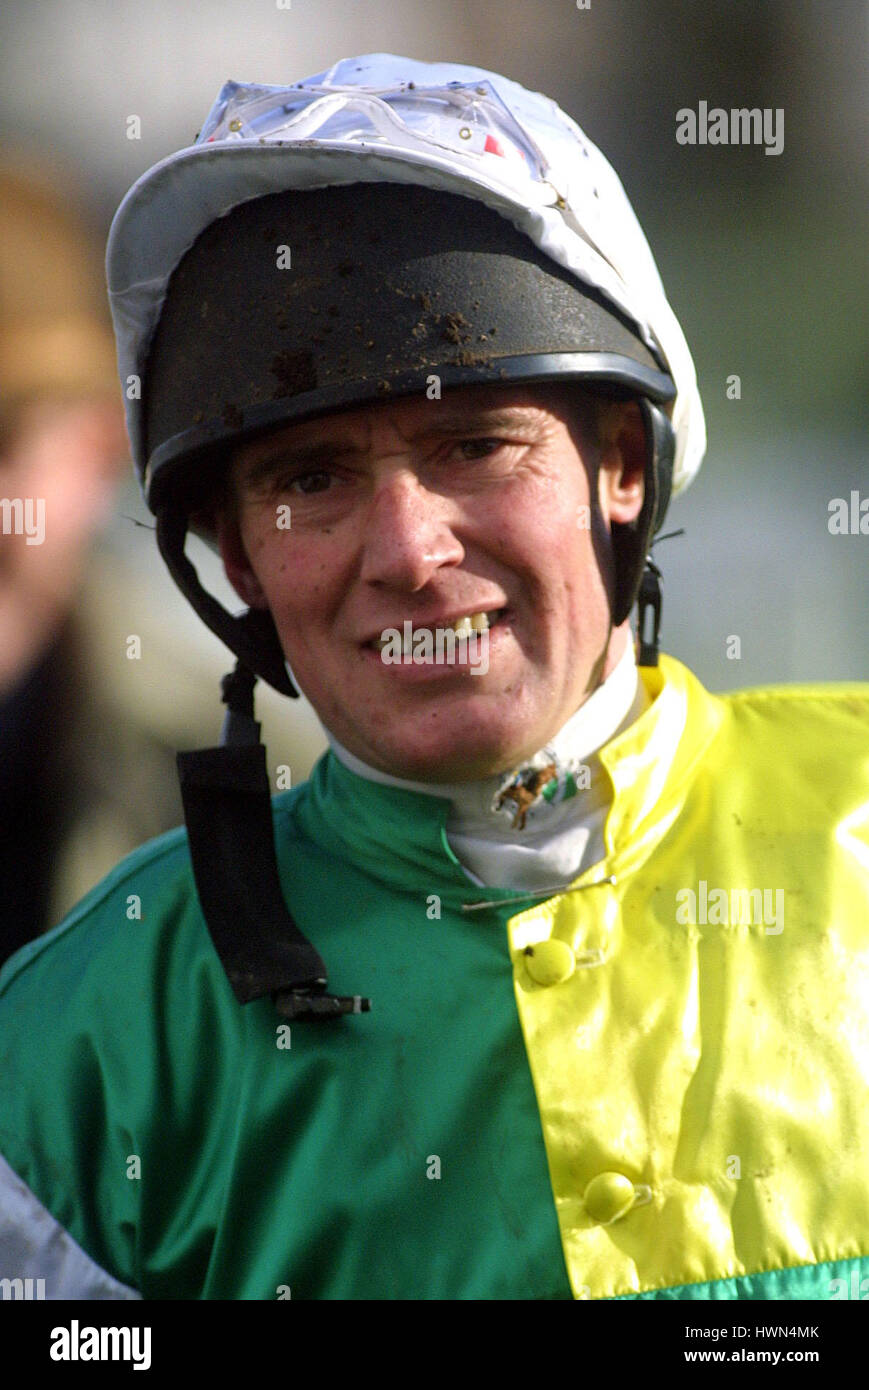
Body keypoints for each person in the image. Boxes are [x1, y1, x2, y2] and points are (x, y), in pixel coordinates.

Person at [1, 54, 867, 1303]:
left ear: (621, 464)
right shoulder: (78, 1050)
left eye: (473, 444)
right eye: (310, 481)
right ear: (236, 556)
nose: (407, 553)